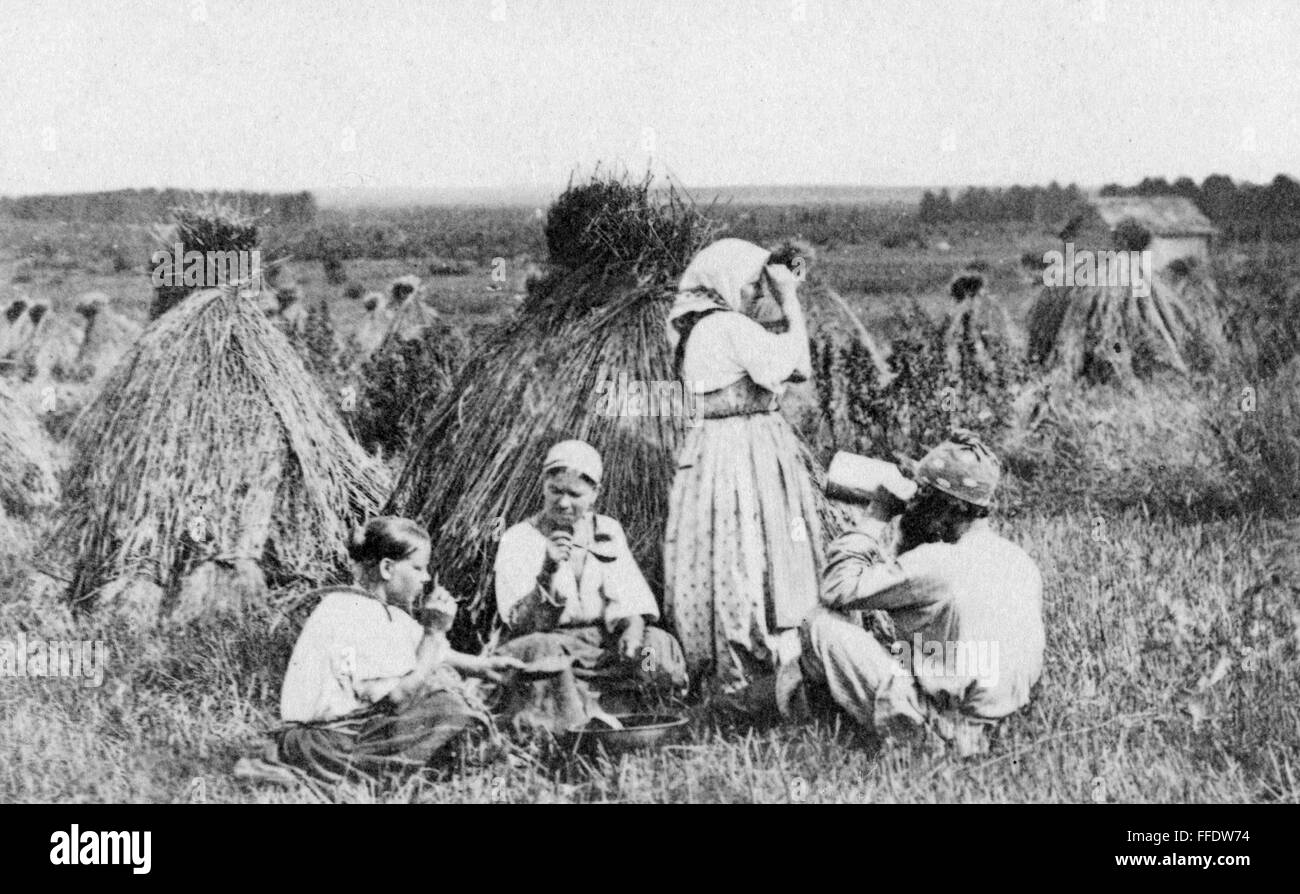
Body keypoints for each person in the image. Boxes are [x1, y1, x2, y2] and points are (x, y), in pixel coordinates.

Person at [663, 237, 834, 707]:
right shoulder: (725, 329)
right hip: (743, 451)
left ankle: (739, 672)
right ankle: (760, 674)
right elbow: (799, 365)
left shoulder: (702, 328)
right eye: (752, 284)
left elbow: (788, 369)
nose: (756, 294)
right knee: (752, 551)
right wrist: (791, 299)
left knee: (732, 551)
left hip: (722, 449)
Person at [797, 431, 1044, 756]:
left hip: (943, 732)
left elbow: (836, 588)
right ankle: (792, 703)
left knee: (819, 623)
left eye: (923, 498)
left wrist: (877, 515)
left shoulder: (936, 562)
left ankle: (790, 718)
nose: (914, 508)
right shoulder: (1018, 559)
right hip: (1000, 723)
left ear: (947, 509)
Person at [268, 517, 522, 783]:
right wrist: (434, 632)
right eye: (418, 568)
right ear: (387, 568)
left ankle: (446, 769)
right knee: (447, 706)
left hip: (346, 733)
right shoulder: (351, 612)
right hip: (325, 741)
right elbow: (398, 697)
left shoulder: (385, 612)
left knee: (443, 695)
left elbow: (440, 655)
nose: (425, 578)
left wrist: (486, 668)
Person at [493, 439, 687, 726]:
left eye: (575, 494)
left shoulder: (607, 531)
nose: (563, 503)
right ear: (543, 486)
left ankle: (647, 703)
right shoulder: (518, 539)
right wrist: (547, 569)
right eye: (555, 491)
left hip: (605, 650)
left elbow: (631, 598)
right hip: (555, 646)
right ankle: (571, 719)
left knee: (653, 646)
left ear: (595, 493)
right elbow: (521, 625)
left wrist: (632, 631)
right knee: (542, 654)